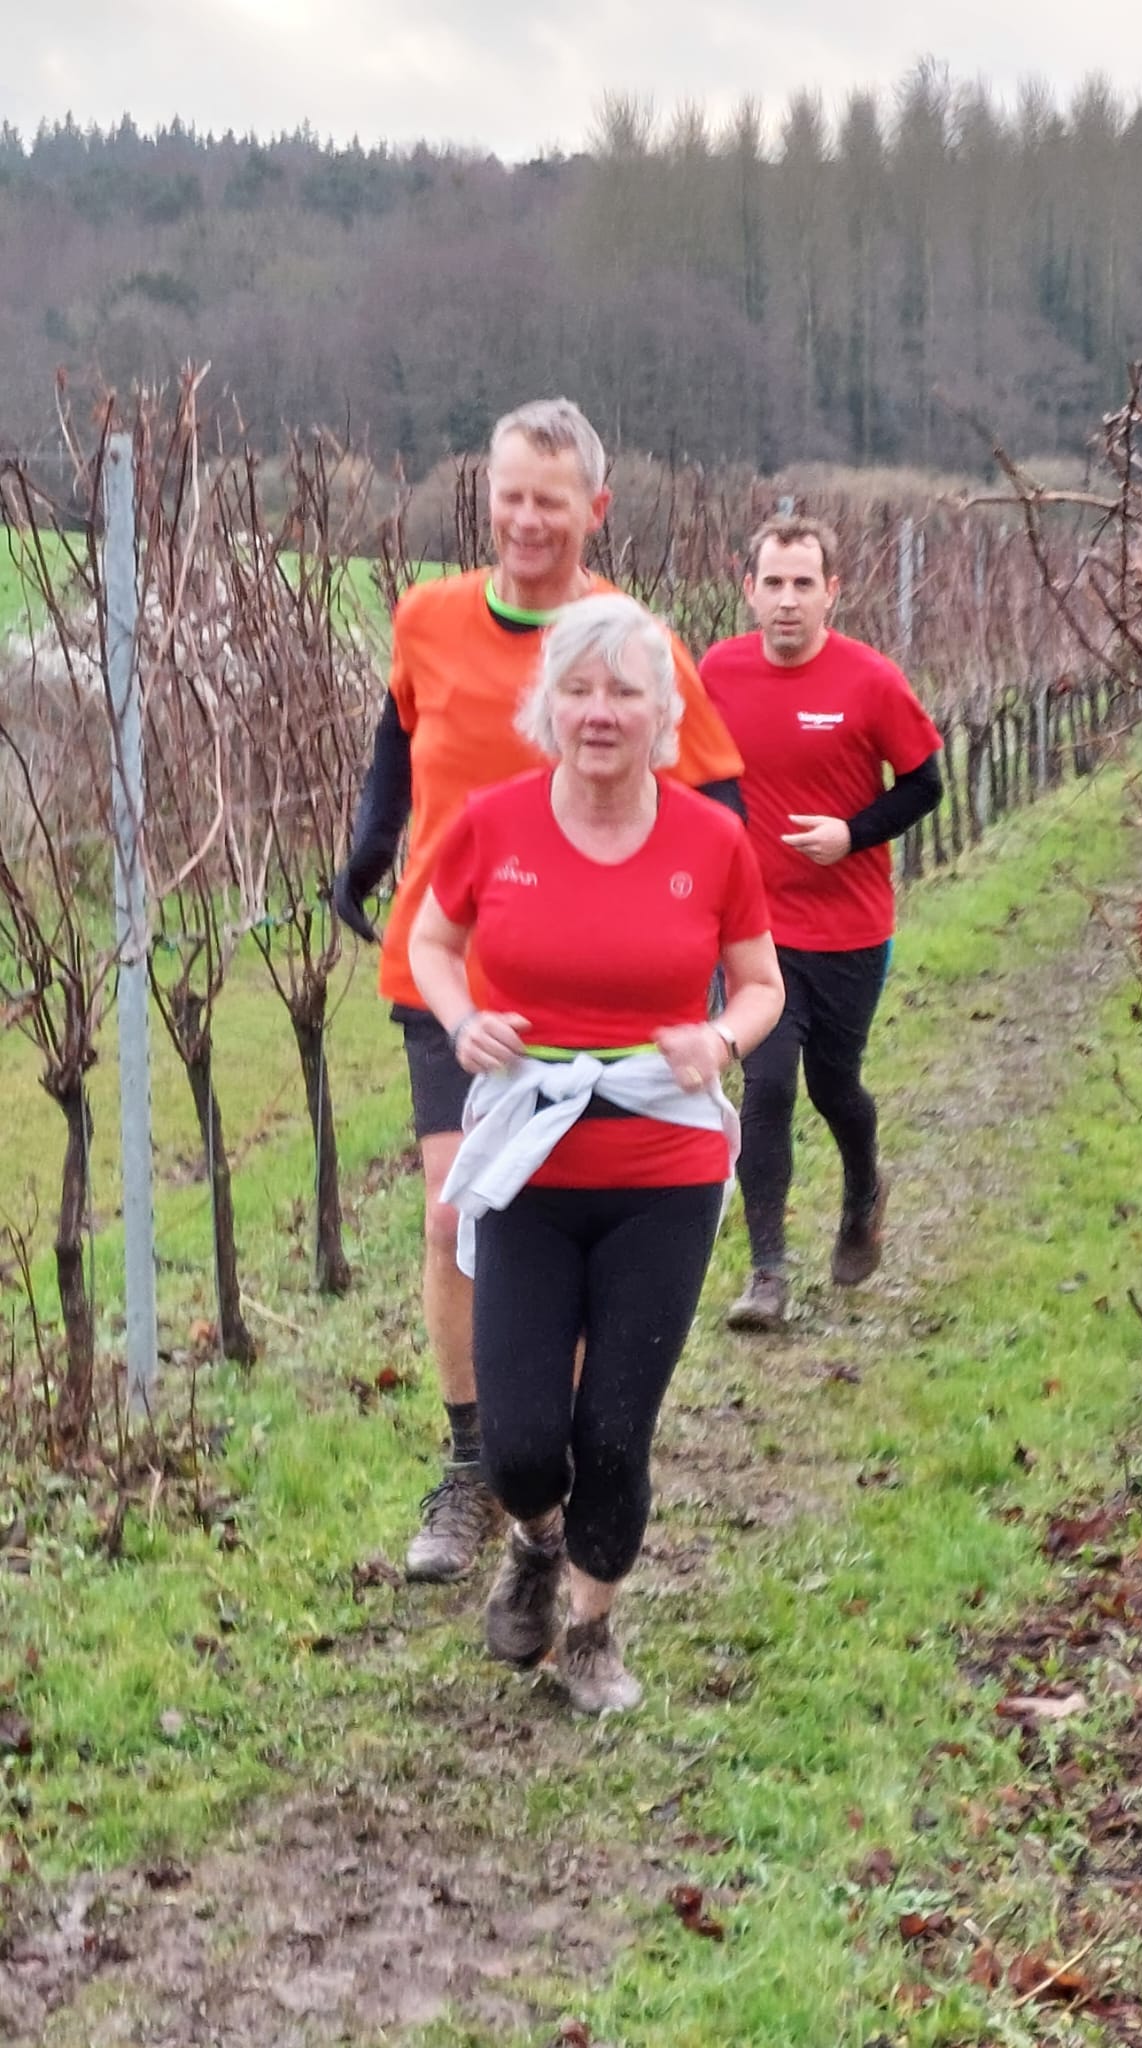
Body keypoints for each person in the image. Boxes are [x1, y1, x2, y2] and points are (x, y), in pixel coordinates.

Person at [333, 399, 744, 1583]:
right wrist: (368, 846)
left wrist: (709, 993)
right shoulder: (429, 614)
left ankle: (554, 1467)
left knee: (560, 1226)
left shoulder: (633, 642)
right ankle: (477, 1466)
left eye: (548, 501)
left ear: (591, 512)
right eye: (508, 496)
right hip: (452, 967)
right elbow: (398, 733)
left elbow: (715, 804)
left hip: (605, 1002)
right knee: (457, 1212)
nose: (524, 519)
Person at [406, 594, 783, 1712]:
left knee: (615, 1426)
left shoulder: (711, 840)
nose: (601, 710)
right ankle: (532, 1536)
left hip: (660, 1171)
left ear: (665, 713)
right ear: (547, 705)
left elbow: (761, 985)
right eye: (579, 688)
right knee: (522, 1443)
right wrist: (459, 1013)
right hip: (527, 1161)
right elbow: (433, 935)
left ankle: (590, 1633)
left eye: (626, 690)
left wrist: (715, 1036)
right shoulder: (496, 824)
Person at [701, 516, 943, 1332]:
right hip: (754, 932)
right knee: (766, 1086)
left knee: (834, 1086)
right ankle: (767, 1274)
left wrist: (852, 834)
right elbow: (701, 775)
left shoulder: (871, 682)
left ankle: (862, 1192)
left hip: (849, 927)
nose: (787, 601)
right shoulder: (719, 672)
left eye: (804, 584)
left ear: (833, 592)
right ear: (749, 590)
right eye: (773, 583)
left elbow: (924, 785)